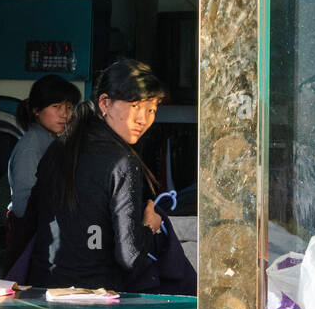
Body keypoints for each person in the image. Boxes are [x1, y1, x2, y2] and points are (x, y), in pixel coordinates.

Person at [26, 59, 196, 295]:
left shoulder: (58, 148)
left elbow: (30, 219)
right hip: (95, 299)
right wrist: (150, 225)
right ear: (105, 103)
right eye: (135, 106)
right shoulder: (123, 162)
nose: (143, 119)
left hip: (41, 290)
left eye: (151, 110)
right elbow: (131, 257)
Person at [3, 75, 80, 270]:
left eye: (69, 107)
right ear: (37, 110)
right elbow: (23, 207)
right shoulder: (31, 147)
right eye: (56, 106)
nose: (64, 114)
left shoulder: (52, 141)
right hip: (31, 238)